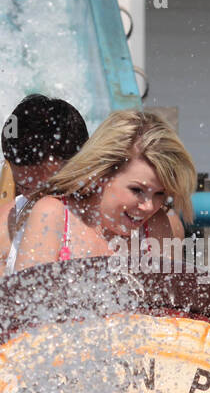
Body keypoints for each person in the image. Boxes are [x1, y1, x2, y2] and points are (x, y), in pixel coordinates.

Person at [11, 108, 195, 274]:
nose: (149, 206)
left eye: (159, 194)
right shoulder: (53, 214)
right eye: (137, 190)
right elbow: (26, 303)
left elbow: (170, 303)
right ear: (102, 174)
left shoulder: (155, 224)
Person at [0, 94, 89, 297]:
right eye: (24, 187)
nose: (42, 200)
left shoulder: (122, 209)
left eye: (52, 188)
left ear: (82, 162)